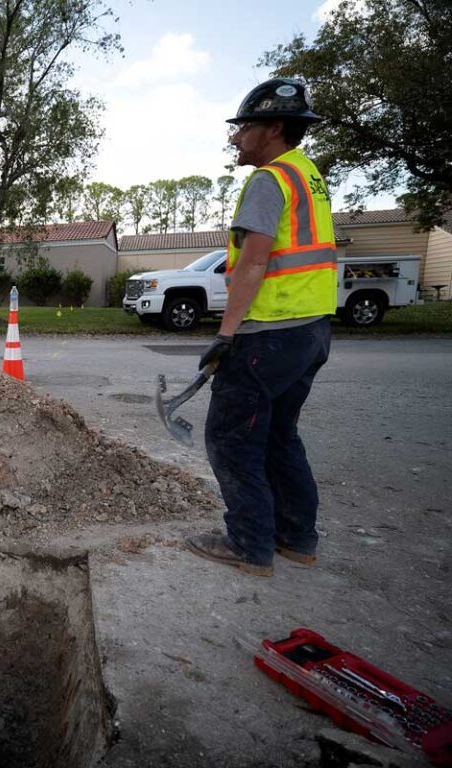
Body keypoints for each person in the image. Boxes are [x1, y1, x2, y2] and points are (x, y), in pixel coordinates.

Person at [184, 78, 337, 577]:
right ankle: (296, 537)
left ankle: (250, 544)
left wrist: (226, 334)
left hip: (268, 331)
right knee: (278, 435)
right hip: (310, 330)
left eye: (244, 127)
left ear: (273, 128)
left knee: (230, 437)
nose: (235, 138)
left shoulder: (269, 180)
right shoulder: (307, 174)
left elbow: (252, 264)